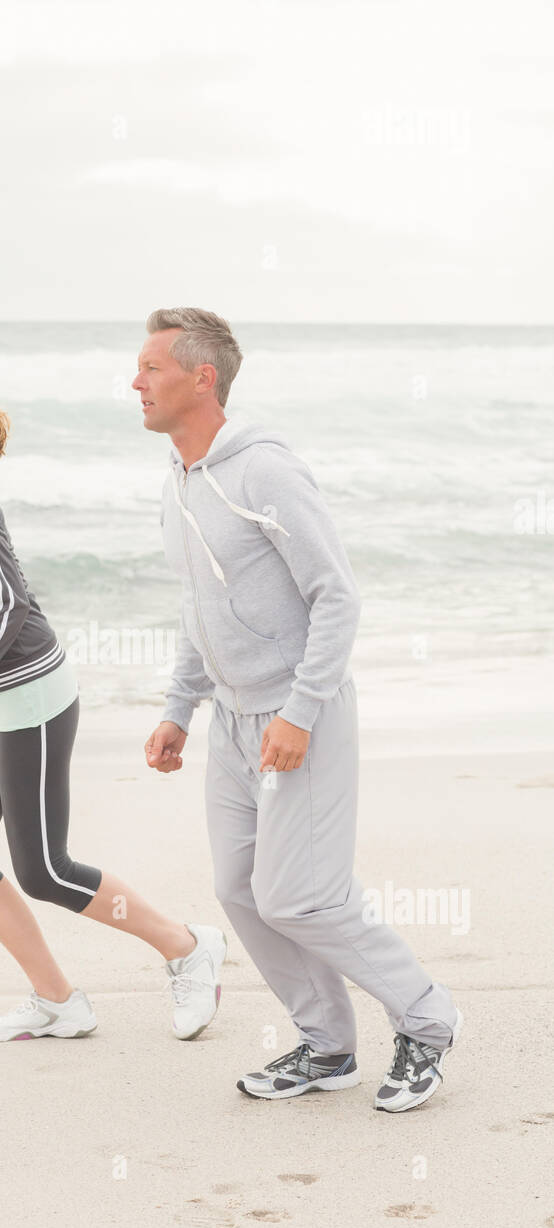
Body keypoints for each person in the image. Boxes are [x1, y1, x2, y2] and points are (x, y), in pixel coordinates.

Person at [137, 308, 463, 1112]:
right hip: (232, 721)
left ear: (201, 376)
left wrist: (301, 711)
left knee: (301, 895)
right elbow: (200, 606)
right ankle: (327, 1045)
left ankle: (426, 1018)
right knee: (240, 887)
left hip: (298, 714)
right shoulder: (179, 482)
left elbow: (336, 598)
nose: (135, 382)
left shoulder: (266, 472)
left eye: (150, 368)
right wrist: (181, 704)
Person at [0, 345, 225, 1042]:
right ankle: (58, 999)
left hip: (30, 695)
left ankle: (188, 948)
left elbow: (8, 603)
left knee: (44, 870)